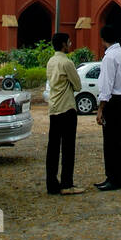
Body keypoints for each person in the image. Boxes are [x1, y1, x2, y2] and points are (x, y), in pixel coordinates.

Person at [44, 33, 85, 196]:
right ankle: (67, 184)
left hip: (53, 109)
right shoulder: (67, 63)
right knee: (68, 148)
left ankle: (51, 184)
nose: (70, 43)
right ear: (63, 45)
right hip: (67, 109)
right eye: (68, 42)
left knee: (52, 148)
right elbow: (78, 86)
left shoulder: (51, 61)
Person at [94, 26, 121, 191]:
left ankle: (112, 178)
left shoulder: (109, 57)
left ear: (102, 39)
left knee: (109, 141)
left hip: (112, 102)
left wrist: (101, 108)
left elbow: (106, 86)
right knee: (117, 141)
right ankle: (117, 177)